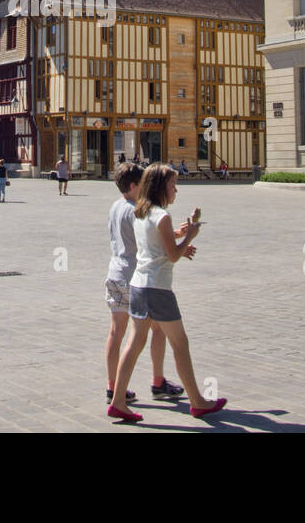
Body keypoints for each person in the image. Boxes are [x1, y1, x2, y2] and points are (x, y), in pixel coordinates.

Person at [107, 163, 225, 422]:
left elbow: (157, 245)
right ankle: (198, 401)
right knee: (180, 343)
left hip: (138, 284)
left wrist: (180, 237)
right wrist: (190, 236)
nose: (176, 190)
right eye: (173, 185)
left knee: (135, 342)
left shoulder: (141, 212)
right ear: (161, 187)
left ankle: (117, 400)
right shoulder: (162, 215)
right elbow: (171, 255)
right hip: (158, 288)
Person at [104, 162, 181, 407]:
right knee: (156, 331)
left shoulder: (116, 207)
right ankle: (158, 381)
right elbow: (151, 242)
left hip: (115, 273)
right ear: (135, 185)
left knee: (116, 333)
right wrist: (180, 237)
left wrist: (176, 233)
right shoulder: (136, 211)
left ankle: (113, 386)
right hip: (136, 277)